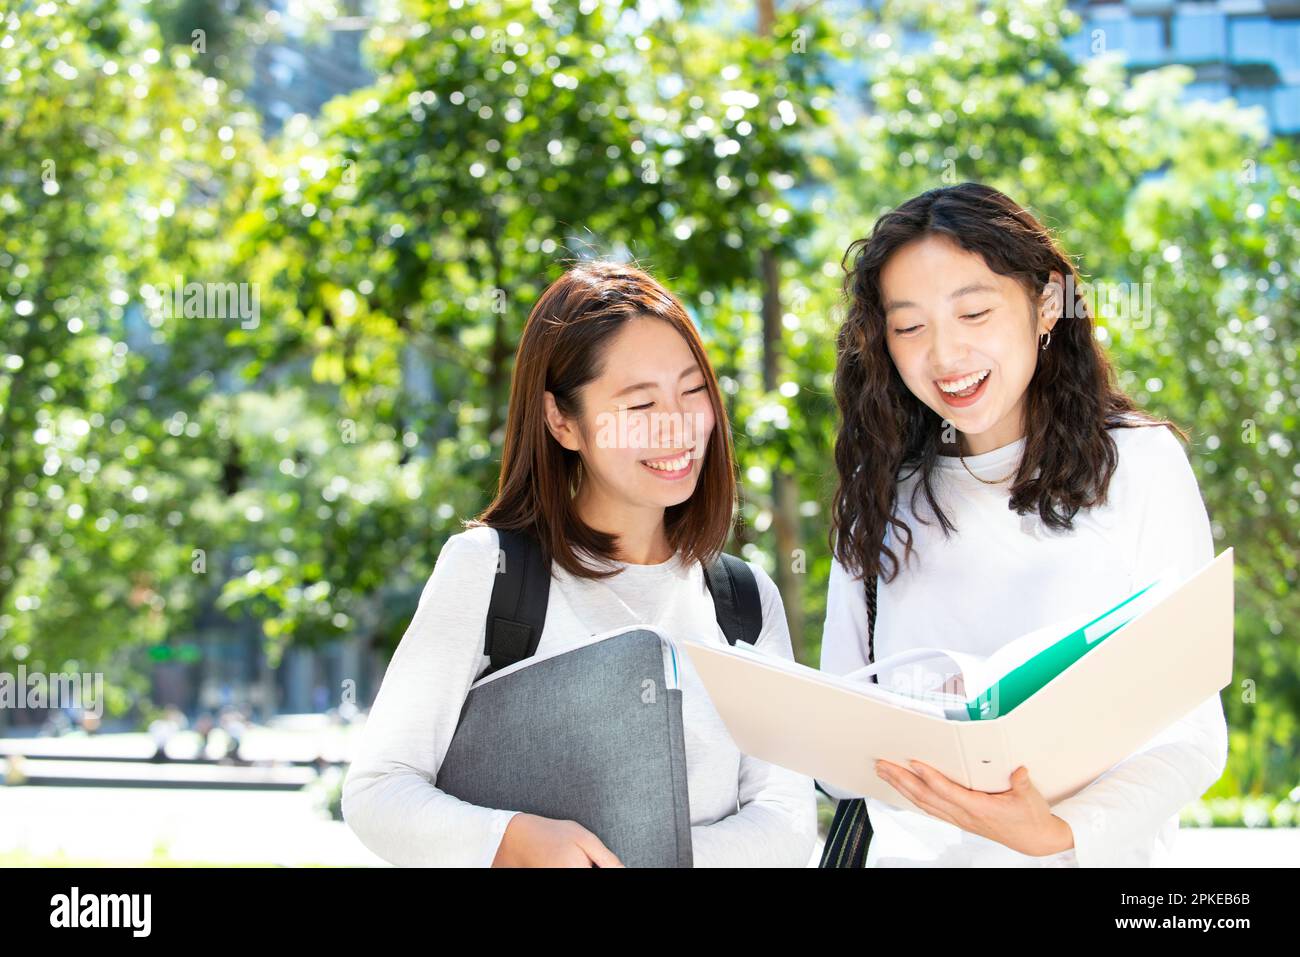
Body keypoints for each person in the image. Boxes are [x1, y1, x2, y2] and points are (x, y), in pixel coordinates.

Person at [342, 260, 817, 867]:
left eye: (693, 391)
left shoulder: (745, 600)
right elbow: (378, 790)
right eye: (640, 404)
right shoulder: (491, 573)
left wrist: (645, 860)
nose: (678, 428)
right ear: (563, 421)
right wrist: (512, 840)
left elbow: (786, 817)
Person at [820, 182, 1228, 867]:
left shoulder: (1139, 466)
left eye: (974, 312)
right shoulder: (882, 493)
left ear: (1044, 305)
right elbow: (837, 757)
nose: (946, 356)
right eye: (910, 326)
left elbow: (1192, 732)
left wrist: (1059, 833)